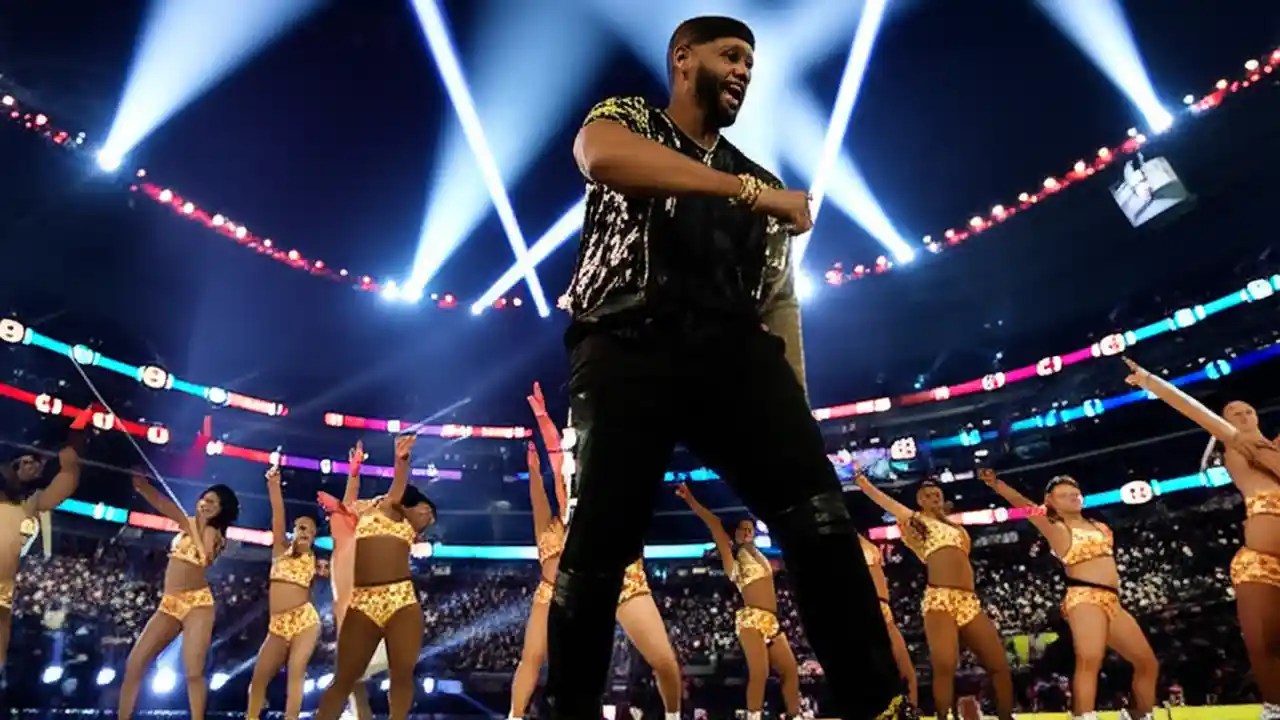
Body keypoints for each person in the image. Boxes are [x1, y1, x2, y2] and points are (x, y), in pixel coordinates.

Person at [549, 14, 908, 719]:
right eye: (731, 54)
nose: (744, 69)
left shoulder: (758, 179)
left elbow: (778, 302)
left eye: (750, 60)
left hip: (733, 354)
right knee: (599, 545)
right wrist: (746, 194)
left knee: (818, 509)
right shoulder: (631, 119)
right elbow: (601, 158)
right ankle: (569, 709)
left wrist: (793, 412)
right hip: (626, 341)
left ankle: (874, 702)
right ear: (684, 60)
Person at [511, 383, 683, 720]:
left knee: (664, 661)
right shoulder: (568, 488)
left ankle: (674, 716)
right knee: (546, 666)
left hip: (621, 574)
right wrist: (543, 416)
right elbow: (556, 453)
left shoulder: (619, 471)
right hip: (569, 581)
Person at [1124, 357, 1280, 718]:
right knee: (1263, 645)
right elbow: (1194, 411)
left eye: (1247, 410)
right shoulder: (1237, 445)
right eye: (1233, 412)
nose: (1242, 415)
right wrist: (1151, 381)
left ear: (1258, 414)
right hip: (1260, 561)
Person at [980, 469, 1158, 720]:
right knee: (1090, 658)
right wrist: (998, 485)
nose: (1073, 496)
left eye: (1075, 493)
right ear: (1050, 501)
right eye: (1064, 494)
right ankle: (1084, 716)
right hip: (1084, 596)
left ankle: (1138, 714)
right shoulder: (1056, 528)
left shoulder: (1100, 526)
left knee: (1146, 662)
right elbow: (1025, 506)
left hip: (1112, 600)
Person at [854, 474, 1013, 720]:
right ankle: (942, 717)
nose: (934, 497)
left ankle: (1005, 715)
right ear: (920, 501)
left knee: (999, 664)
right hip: (939, 598)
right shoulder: (918, 522)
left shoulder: (959, 530)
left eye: (937, 494)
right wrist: (863, 483)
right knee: (945, 665)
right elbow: (888, 503)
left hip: (969, 600)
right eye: (928, 495)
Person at [314, 435, 437, 720]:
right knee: (344, 679)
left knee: (401, 674)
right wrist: (354, 471)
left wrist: (401, 460)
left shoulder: (397, 512)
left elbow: (397, 487)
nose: (379, 498)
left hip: (400, 598)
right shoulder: (362, 514)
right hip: (363, 601)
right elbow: (348, 503)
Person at [118, 475, 239, 720]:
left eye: (213, 503)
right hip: (170, 603)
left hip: (197, 604)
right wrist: (144, 488)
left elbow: (205, 556)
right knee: (135, 662)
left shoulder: (214, 534)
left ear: (221, 511)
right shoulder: (189, 523)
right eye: (204, 499)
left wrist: (198, 526)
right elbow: (165, 506)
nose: (205, 504)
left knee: (193, 671)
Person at [676, 483, 800, 719]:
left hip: (772, 621)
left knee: (790, 670)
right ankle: (753, 716)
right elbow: (714, 524)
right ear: (734, 534)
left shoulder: (763, 556)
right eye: (742, 529)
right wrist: (690, 498)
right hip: (750, 620)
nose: (747, 532)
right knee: (760, 672)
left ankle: (795, 715)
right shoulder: (733, 558)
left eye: (750, 529)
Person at [317, 441, 388, 720]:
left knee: (353, 672)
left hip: (362, 606)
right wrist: (354, 470)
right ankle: (359, 714)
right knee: (350, 676)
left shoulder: (368, 538)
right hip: (344, 605)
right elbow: (350, 497)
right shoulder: (346, 528)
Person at [246, 465, 321, 720]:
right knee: (258, 678)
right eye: (301, 528)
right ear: (293, 531)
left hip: (304, 621)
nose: (305, 533)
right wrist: (273, 485)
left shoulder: (315, 560)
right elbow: (277, 513)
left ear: (314, 537)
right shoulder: (279, 549)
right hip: (277, 625)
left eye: (310, 531)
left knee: (296, 670)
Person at [0, 442, 81, 667]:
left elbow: (58, 491)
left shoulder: (30, 502)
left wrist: (70, 469)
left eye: (36, 465)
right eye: (27, 463)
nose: (32, 469)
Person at [859, 533, 919, 708]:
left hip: (883, 609)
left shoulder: (862, 541)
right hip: (864, 609)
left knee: (905, 671)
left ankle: (910, 711)